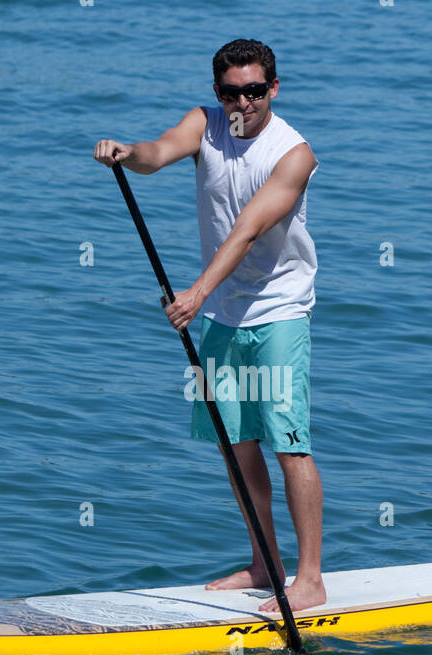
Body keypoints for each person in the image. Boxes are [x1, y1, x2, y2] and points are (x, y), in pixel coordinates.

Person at [93, 38, 325, 612]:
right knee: (236, 446)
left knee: (289, 446)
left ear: (272, 88)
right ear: (216, 92)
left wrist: (196, 293)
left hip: (278, 313)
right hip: (223, 316)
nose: (241, 103)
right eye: (229, 93)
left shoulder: (294, 154)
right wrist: (127, 153)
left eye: (252, 91)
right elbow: (159, 150)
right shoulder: (206, 124)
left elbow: (246, 230)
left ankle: (311, 578)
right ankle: (264, 564)